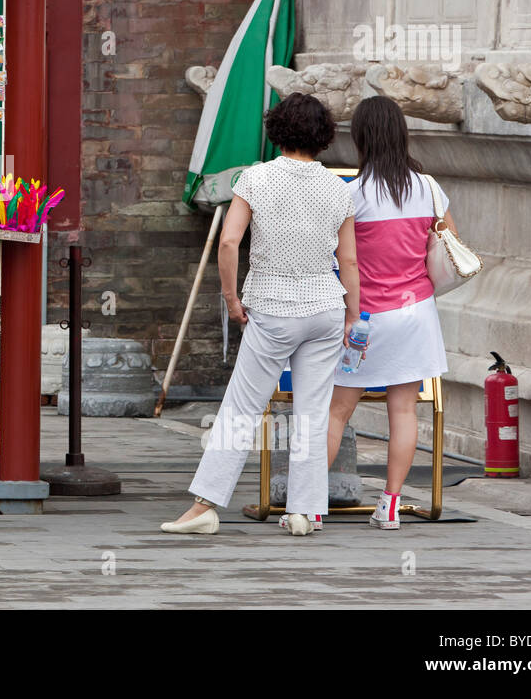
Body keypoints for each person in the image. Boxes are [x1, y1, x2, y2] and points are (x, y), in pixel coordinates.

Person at [161, 93, 360, 536]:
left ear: (278, 131)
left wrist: (232, 299)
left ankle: (206, 505)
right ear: (323, 135)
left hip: (272, 307)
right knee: (313, 411)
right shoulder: (337, 188)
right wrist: (353, 314)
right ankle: (304, 511)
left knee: (241, 410)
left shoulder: (255, 179)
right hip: (326, 307)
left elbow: (229, 243)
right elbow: (348, 261)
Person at [326, 96, 454, 531]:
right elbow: (451, 245)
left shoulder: (351, 194)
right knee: (403, 411)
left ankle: (309, 505)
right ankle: (391, 504)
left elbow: (339, 259)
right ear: (401, 134)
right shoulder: (429, 188)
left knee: (337, 410)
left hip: (364, 320)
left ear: (361, 138)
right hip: (416, 315)